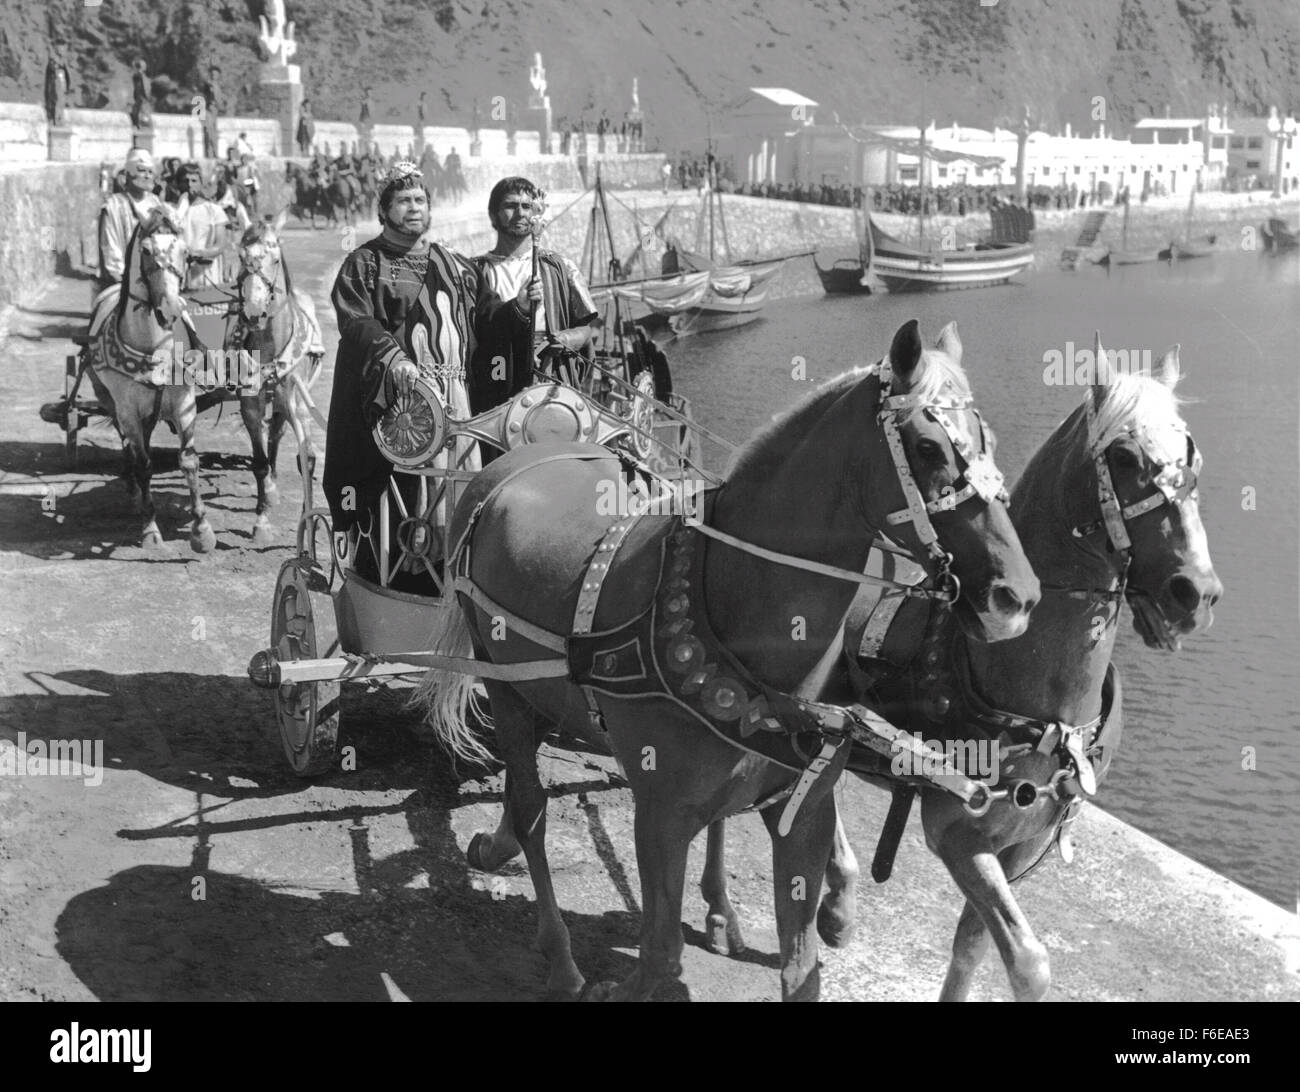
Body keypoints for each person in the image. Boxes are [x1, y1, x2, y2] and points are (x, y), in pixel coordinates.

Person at [323, 161, 479, 585]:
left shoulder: (453, 263)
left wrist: (521, 310)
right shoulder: (365, 263)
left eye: (420, 200)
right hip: (399, 401)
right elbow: (356, 321)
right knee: (406, 495)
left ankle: (452, 575)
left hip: (455, 398)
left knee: (456, 486)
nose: (414, 208)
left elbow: (484, 319)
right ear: (385, 210)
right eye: (404, 201)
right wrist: (395, 360)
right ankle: (396, 578)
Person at [470, 176, 597, 418]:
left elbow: (586, 330)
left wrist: (566, 338)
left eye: (526, 206)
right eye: (510, 206)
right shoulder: (475, 271)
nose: (520, 213)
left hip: (550, 378)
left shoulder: (559, 266)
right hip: (498, 376)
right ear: (494, 214)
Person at [97, 147, 164, 291]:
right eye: (141, 171)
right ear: (128, 174)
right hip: (122, 279)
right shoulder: (113, 206)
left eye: (150, 172)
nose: (147, 176)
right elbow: (109, 245)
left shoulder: (156, 203)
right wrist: (122, 278)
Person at [172, 162, 229, 290]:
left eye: (194, 181)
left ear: (201, 183)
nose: (189, 185)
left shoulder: (214, 210)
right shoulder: (172, 211)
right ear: (178, 184)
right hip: (178, 275)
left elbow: (220, 244)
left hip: (207, 274)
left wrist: (199, 253)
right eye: (185, 181)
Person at [44, 42, 72, 126]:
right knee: (57, 100)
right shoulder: (53, 61)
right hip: (56, 84)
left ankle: (60, 119)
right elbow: (52, 72)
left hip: (62, 85)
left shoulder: (63, 61)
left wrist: (67, 87)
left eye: (64, 49)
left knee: (62, 101)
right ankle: (56, 120)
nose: (63, 51)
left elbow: (67, 76)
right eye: (61, 48)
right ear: (57, 49)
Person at [200, 65, 223, 159]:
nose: (213, 75)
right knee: (209, 132)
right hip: (208, 109)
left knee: (213, 132)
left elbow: (219, 100)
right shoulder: (209, 85)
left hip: (215, 110)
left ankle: (212, 153)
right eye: (212, 74)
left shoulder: (217, 86)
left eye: (215, 74)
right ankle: (212, 153)